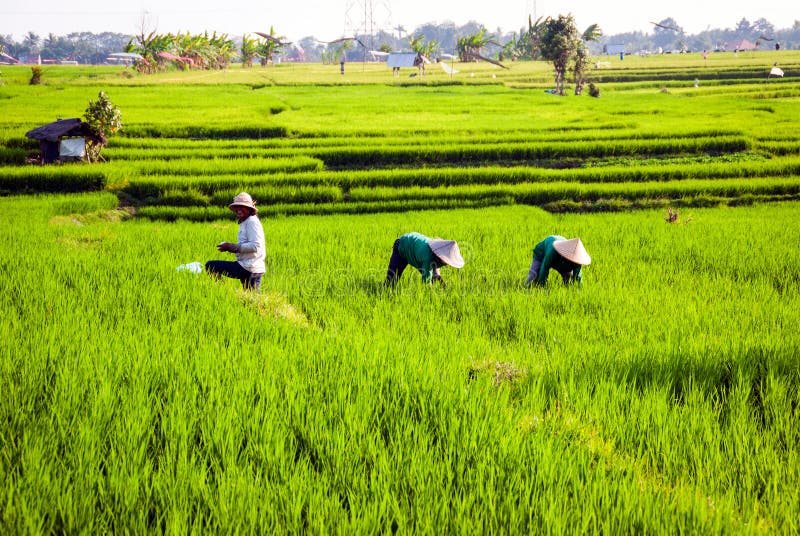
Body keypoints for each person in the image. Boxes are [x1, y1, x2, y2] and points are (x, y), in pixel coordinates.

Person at [205, 192, 266, 291]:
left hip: (250, 267)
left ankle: (224, 292)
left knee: (211, 266)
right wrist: (232, 247)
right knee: (250, 298)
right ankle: (226, 293)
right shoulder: (246, 221)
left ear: (249, 209)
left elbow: (256, 246)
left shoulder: (252, 222)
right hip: (247, 266)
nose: (238, 210)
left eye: (242, 207)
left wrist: (232, 247)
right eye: (237, 207)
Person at [385, 232, 464, 287]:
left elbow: (436, 273)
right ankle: (384, 293)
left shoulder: (437, 253)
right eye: (447, 259)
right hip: (402, 245)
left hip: (416, 249)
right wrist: (431, 296)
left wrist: (443, 285)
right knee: (391, 280)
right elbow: (426, 282)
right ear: (441, 255)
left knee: (434, 277)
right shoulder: (428, 258)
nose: (448, 263)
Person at [525, 236, 591, 287]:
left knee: (569, 281)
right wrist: (542, 287)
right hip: (541, 253)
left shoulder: (577, 260)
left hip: (561, 261)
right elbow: (544, 268)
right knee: (533, 276)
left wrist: (578, 291)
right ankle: (526, 287)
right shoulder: (552, 252)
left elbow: (578, 277)